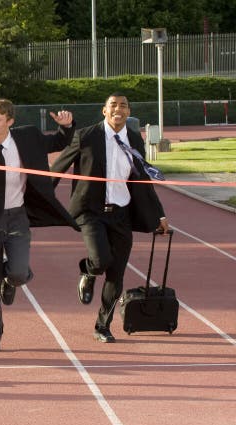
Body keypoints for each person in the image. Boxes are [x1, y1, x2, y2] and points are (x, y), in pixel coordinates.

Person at [0, 99, 79, 352]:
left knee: (19, 271)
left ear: (10, 121)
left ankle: (11, 282)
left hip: (17, 217)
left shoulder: (28, 138)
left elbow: (58, 142)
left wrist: (67, 126)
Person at [51, 92, 169, 343]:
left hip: (121, 213)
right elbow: (57, 168)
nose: (118, 109)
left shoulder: (135, 139)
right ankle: (89, 272)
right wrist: (37, 197)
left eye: (123, 106)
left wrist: (159, 213)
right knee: (101, 259)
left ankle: (102, 325)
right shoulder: (86, 136)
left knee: (117, 275)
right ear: (104, 111)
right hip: (90, 211)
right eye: (113, 105)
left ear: (129, 111)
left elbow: (143, 179)